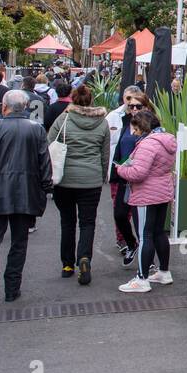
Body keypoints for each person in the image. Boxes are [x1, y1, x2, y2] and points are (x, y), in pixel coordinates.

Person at [0, 90, 53, 314]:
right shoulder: (36, 130)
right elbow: (45, 163)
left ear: (4, 106)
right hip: (24, 193)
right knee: (19, 242)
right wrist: (46, 188)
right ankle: (12, 287)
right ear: (24, 106)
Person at [49, 85, 110, 285]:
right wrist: (101, 176)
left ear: (73, 99)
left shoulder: (64, 119)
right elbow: (105, 154)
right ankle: (84, 257)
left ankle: (67, 264)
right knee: (87, 222)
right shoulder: (102, 123)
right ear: (91, 100)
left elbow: (50, 143)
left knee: (67, 222)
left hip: (64, 179)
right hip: (90, 180)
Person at [115, 110, 177, 293]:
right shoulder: (166, 140)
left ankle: (142, 278)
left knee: (145, 235)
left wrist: (120, 170)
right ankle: (164, 272)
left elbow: (138, 173)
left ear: (142, 126)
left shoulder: (148, 144)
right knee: (158, 232)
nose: (133, 132)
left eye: (134, 128)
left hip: (146, 194)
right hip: (162, 191)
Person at [107, 87, 150, 266]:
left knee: (142, 221)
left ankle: (147, 261)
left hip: (143, 179)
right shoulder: (124, 121)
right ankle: (131, 244)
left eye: (137, 106)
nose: (133, 109)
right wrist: (114, 170)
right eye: (130, 106)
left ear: (145, 107)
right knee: (119, 215)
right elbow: (115, 146)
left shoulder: (151, 126)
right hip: (123, 176)